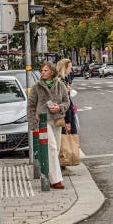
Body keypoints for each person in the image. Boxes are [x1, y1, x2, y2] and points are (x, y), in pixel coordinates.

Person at [28, 61, 69, 189]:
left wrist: (59, 107)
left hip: (57, 120)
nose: (43, 72)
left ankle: (50, 177)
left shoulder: (60, 85)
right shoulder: (36, 87)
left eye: (46, 70)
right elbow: (31, 106)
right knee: (51, 147)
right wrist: (33, 123)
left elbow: (66, 102)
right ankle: (56, 180)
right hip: (43, 122)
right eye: (42, 70)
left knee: (55, 150)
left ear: (52, 71)